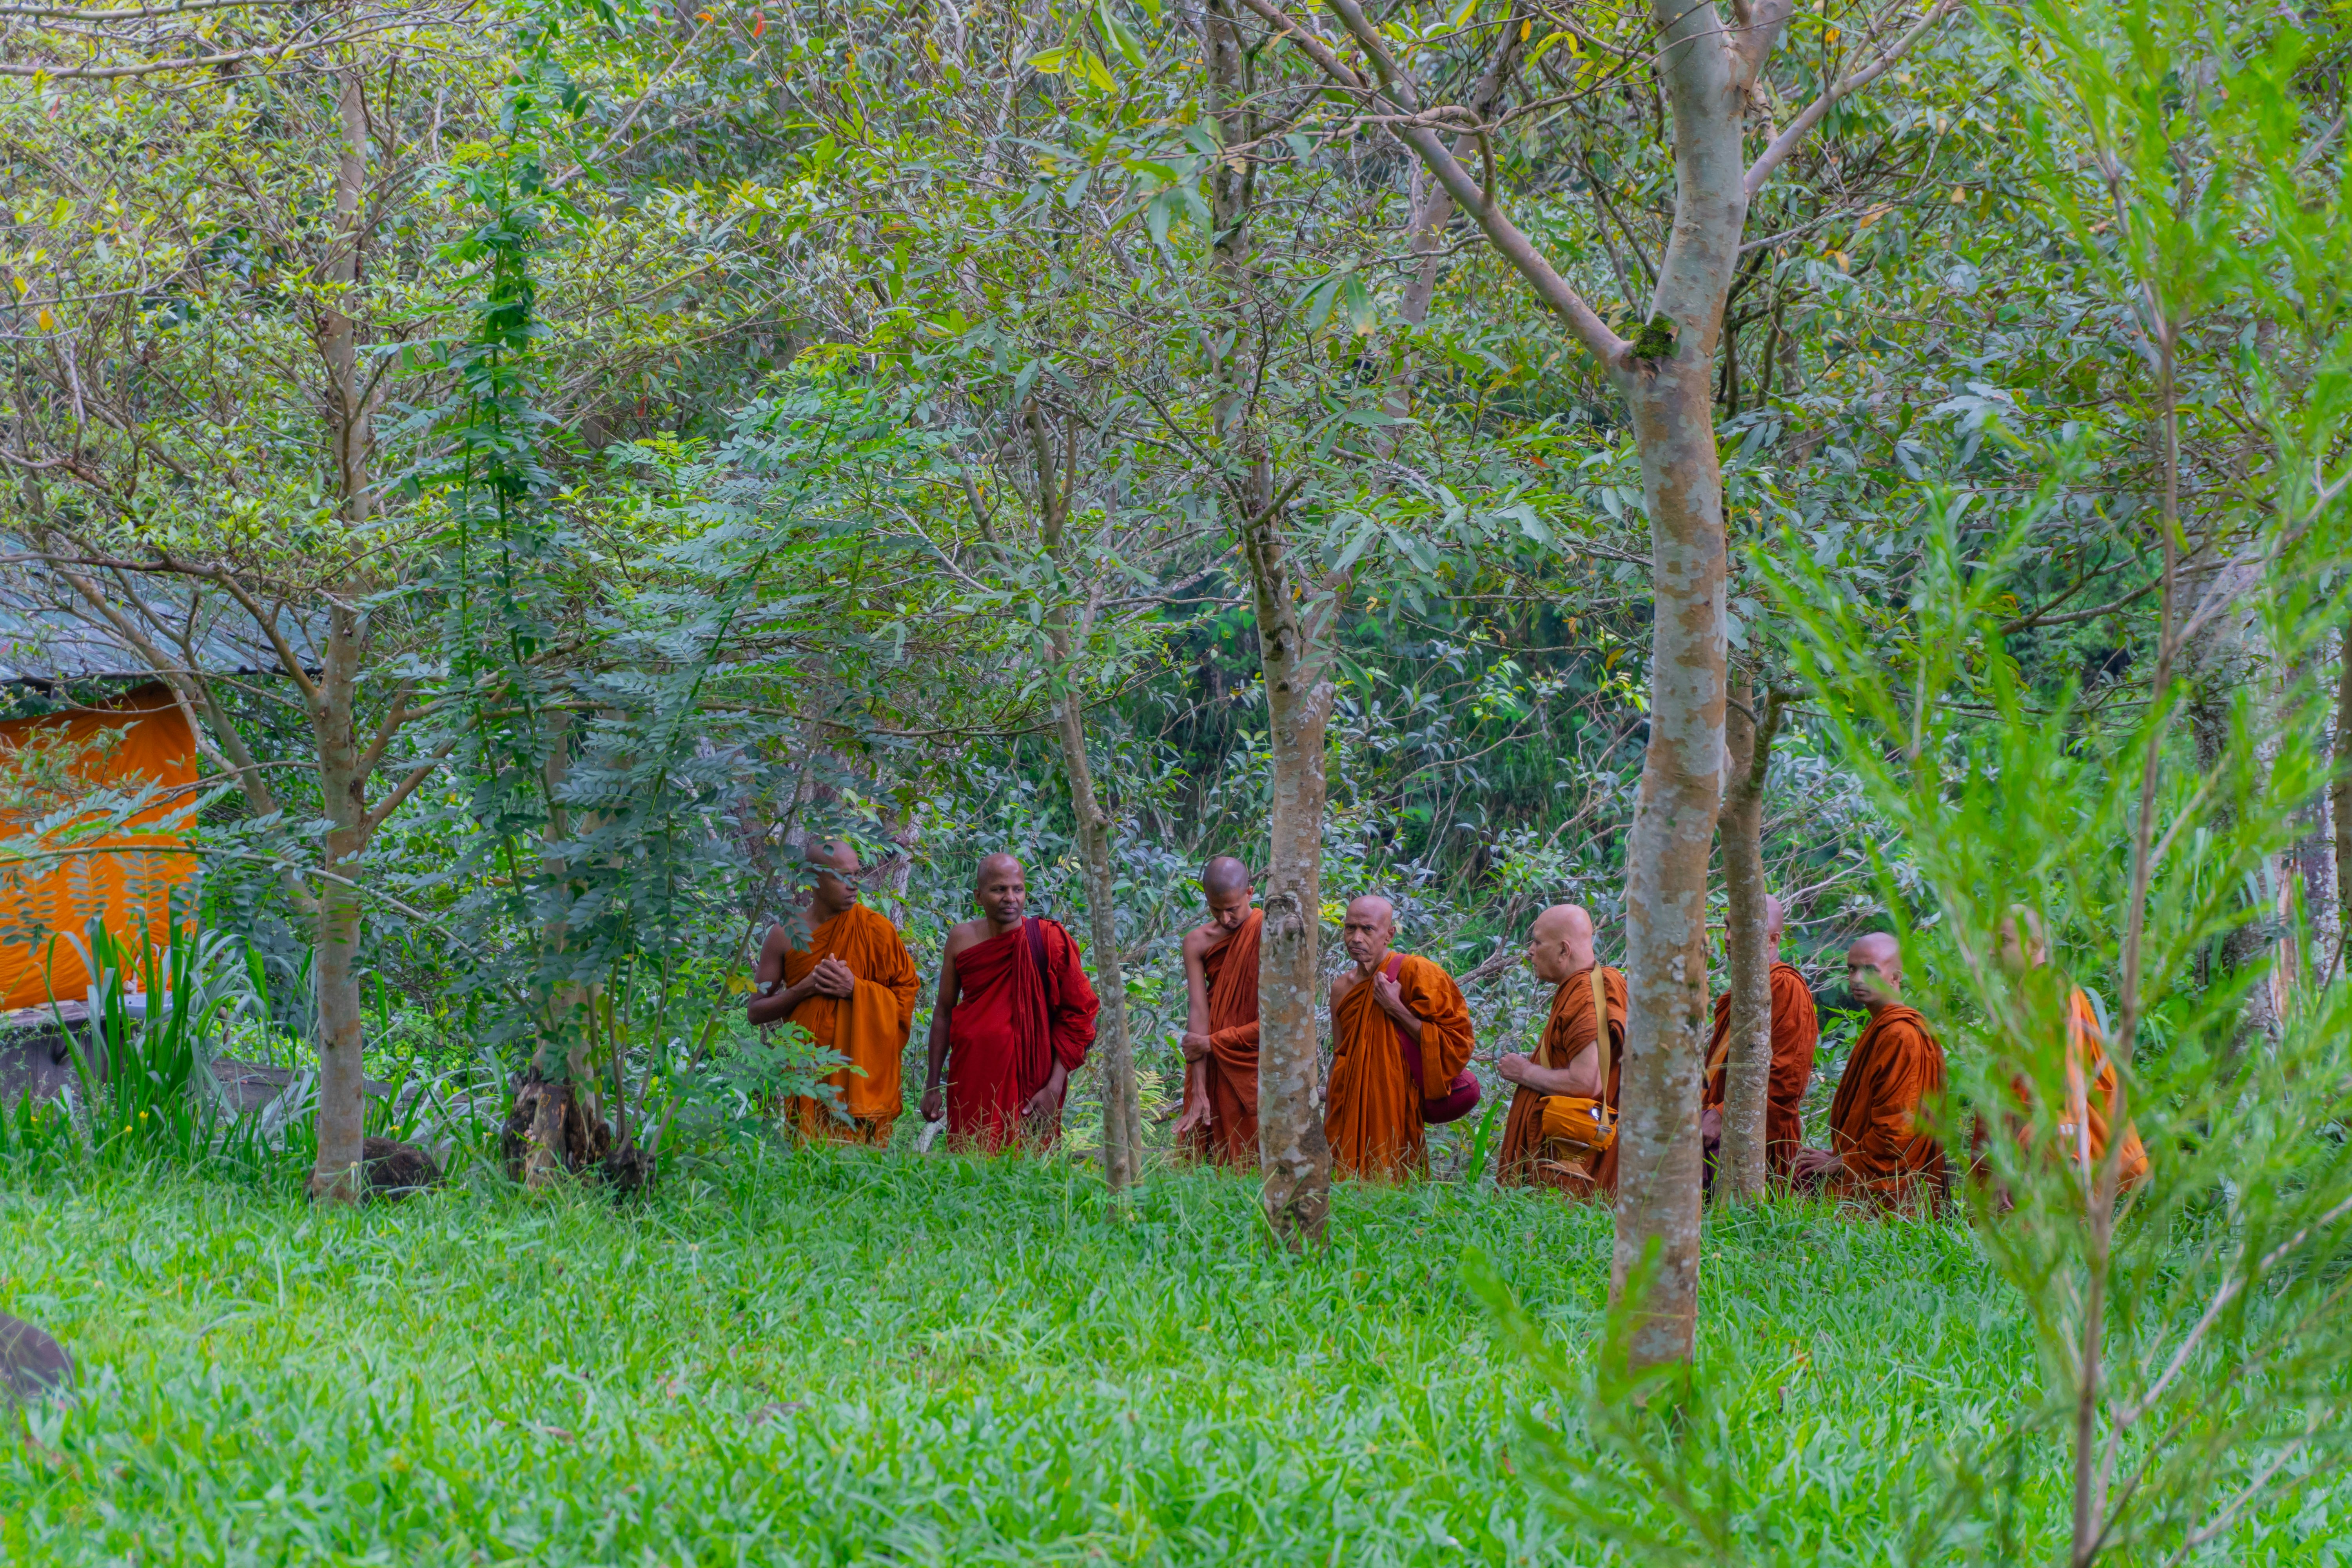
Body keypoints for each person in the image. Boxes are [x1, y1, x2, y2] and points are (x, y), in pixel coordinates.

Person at [920, 853, 1100, 1151]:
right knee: (969, 1160)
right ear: (979, 896)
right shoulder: (961, 938)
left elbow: (1080, 1015)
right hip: (971, 1075)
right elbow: (943, 1013)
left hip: (1032, 1079)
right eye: (999, 889)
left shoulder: (1048, 940)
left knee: (1026, 1167)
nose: (1010, 898)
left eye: (1018, 889)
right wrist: (933, 1085)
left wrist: (1054, 1087)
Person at [748, 837, 922, 1145]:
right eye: (842, 877)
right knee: (807, 1159)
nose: (854, 885)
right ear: (812, 880)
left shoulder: (877, 930)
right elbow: (755, 1012)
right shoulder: (785, 935)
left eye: (856, 875)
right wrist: (802, 990)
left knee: (863, 1166)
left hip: (861, 1072)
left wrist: (856, 989)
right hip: (807, 1071)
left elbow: (906, 995)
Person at [1993, 907, 2149, 1194]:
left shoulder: (2052, 992)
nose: (1992, 953)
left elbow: (2071, 1081)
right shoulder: (2025, 998)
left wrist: (2073, 1158)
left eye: (2003, 942)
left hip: (2071, 1153)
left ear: (2034, 945)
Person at [1791, 933, 1947, 1211]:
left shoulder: (1901, 1035)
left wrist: (1844, 1161)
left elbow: (1899, 1130)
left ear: (1895, 977)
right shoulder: (1882, 1027)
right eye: (1852, 969)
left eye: (1871, 970)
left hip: (1888, 1192)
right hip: (1867, 1164)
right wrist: (1840, 1154)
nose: (1858, 979)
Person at [1325, 895, 1475, 1180]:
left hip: (1395, 1101)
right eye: (1350, 928)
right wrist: (1328, 1121)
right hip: (1348, 1104)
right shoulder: (1342, 988)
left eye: (1368, 929)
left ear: (1389, 935)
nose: (1356, 938)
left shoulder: (1416, 972)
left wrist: (1396, 1008)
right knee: (1343, 1185)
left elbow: (1458, 1042)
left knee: (1392, 1183)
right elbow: (1339, 1056)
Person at [1495, 903, 1626, 1197]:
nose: (1530, 951)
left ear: (1564, 950)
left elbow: (1585, 1082)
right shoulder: (1588, 986)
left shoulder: (1586, 996)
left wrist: (1524, 1071)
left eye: (1538, 943)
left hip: (1570, 1159)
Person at [1700, 893, 1820, 1182]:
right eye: (1728, 926)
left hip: (1758, 1142)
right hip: (1711, 1132)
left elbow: (1786, 1081)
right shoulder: (1740, 991)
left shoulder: (1786, 987)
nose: (1729, 937)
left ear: (1773, 940)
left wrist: (1721, 1116)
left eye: (1742, 928)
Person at [1176, 856, 1261, 1166]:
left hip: (1256, 1052)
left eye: (1233, 909)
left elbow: (1280, 1019)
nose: (1225, 919)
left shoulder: (1269, 930)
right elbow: (1199, 1011)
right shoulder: (1197, 942)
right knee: (1207, 1161)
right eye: (1215, 909)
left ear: (1250, 893)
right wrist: (1199, 1088)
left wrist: (1210, 1043)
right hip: (1211, 1059)